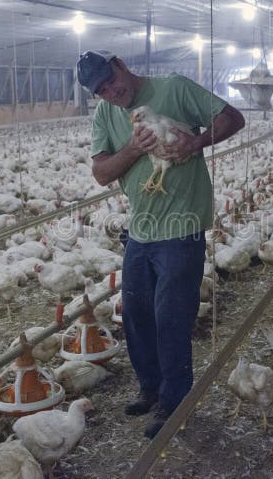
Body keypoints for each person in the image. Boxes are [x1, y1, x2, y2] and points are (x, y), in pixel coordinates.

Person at [77, 49, 245, 438]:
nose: (111, 93)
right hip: (141, 229)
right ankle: (150, 388)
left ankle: (174, 402)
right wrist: (135, 148)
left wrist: (195, 143)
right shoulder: (105, 115)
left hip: (181, 228)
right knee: (136, 315)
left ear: (120, 65)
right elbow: (101, 173)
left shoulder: (175, 89)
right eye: (101, 91)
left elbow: (233, 118)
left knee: (172, 317)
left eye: (111, 82)